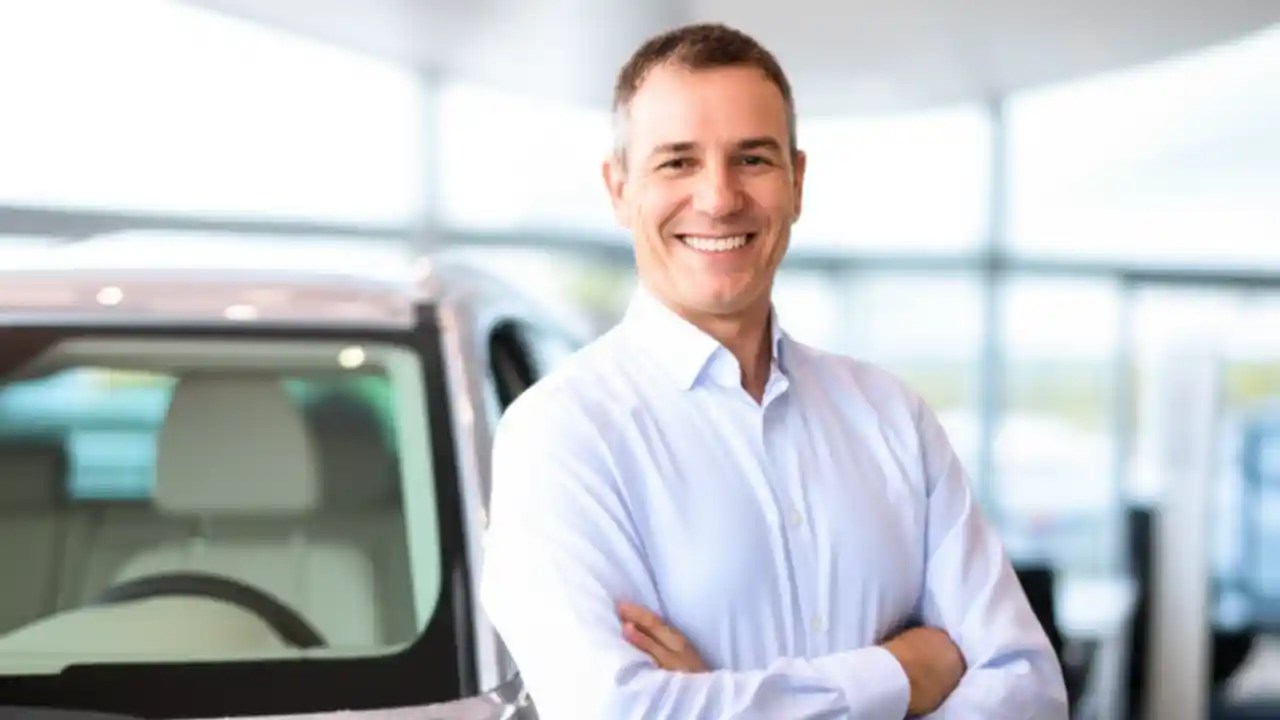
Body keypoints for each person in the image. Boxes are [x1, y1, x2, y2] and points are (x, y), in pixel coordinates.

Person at [480, 22, 1068, 719]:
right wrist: (900, 678)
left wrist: (713, 698)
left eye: (752, 159)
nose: (720, 197)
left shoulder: (892, 418)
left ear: (797, 181)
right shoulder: (560, 434)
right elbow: (616, 710)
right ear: (618, 189)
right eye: (677, 162)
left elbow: (1027, 688)